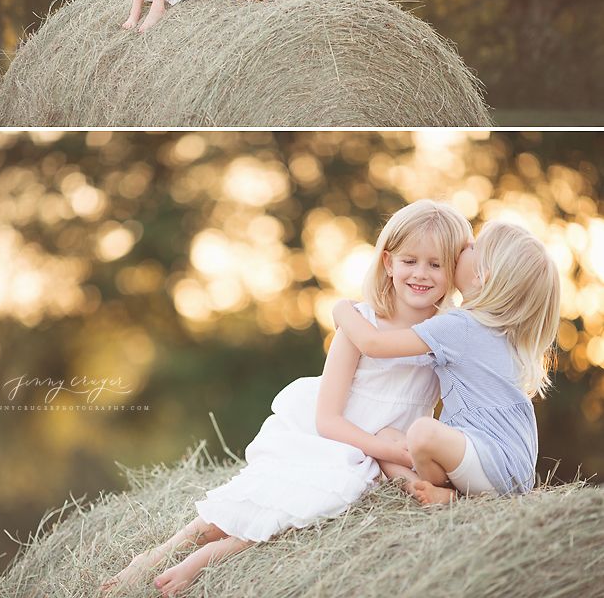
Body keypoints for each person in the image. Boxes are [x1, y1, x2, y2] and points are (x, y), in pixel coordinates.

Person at [100, 199, 472, 593]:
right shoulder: (360, 323)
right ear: (388, 263)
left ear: (454, 272)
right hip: (333, 438)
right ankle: (155, 556)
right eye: (410, 260)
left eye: (436, 264)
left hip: (388, 454)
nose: (421, 273)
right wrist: (391, 452)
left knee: (299, 514)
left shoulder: (449, 333)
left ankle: (204, 560)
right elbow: (328, 420)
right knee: (249, 505)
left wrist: (406, 456)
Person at [332, 217, 561, 505]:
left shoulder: (460, 326)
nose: (464, 248)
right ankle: (429, 491)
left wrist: (342, 309)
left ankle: (447, 494)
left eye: (474, 247)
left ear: (482, 276)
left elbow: (373, 344)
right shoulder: (502, 331)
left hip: (492, 460)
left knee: (421, 432)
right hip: (513, 466)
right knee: (386, 437)